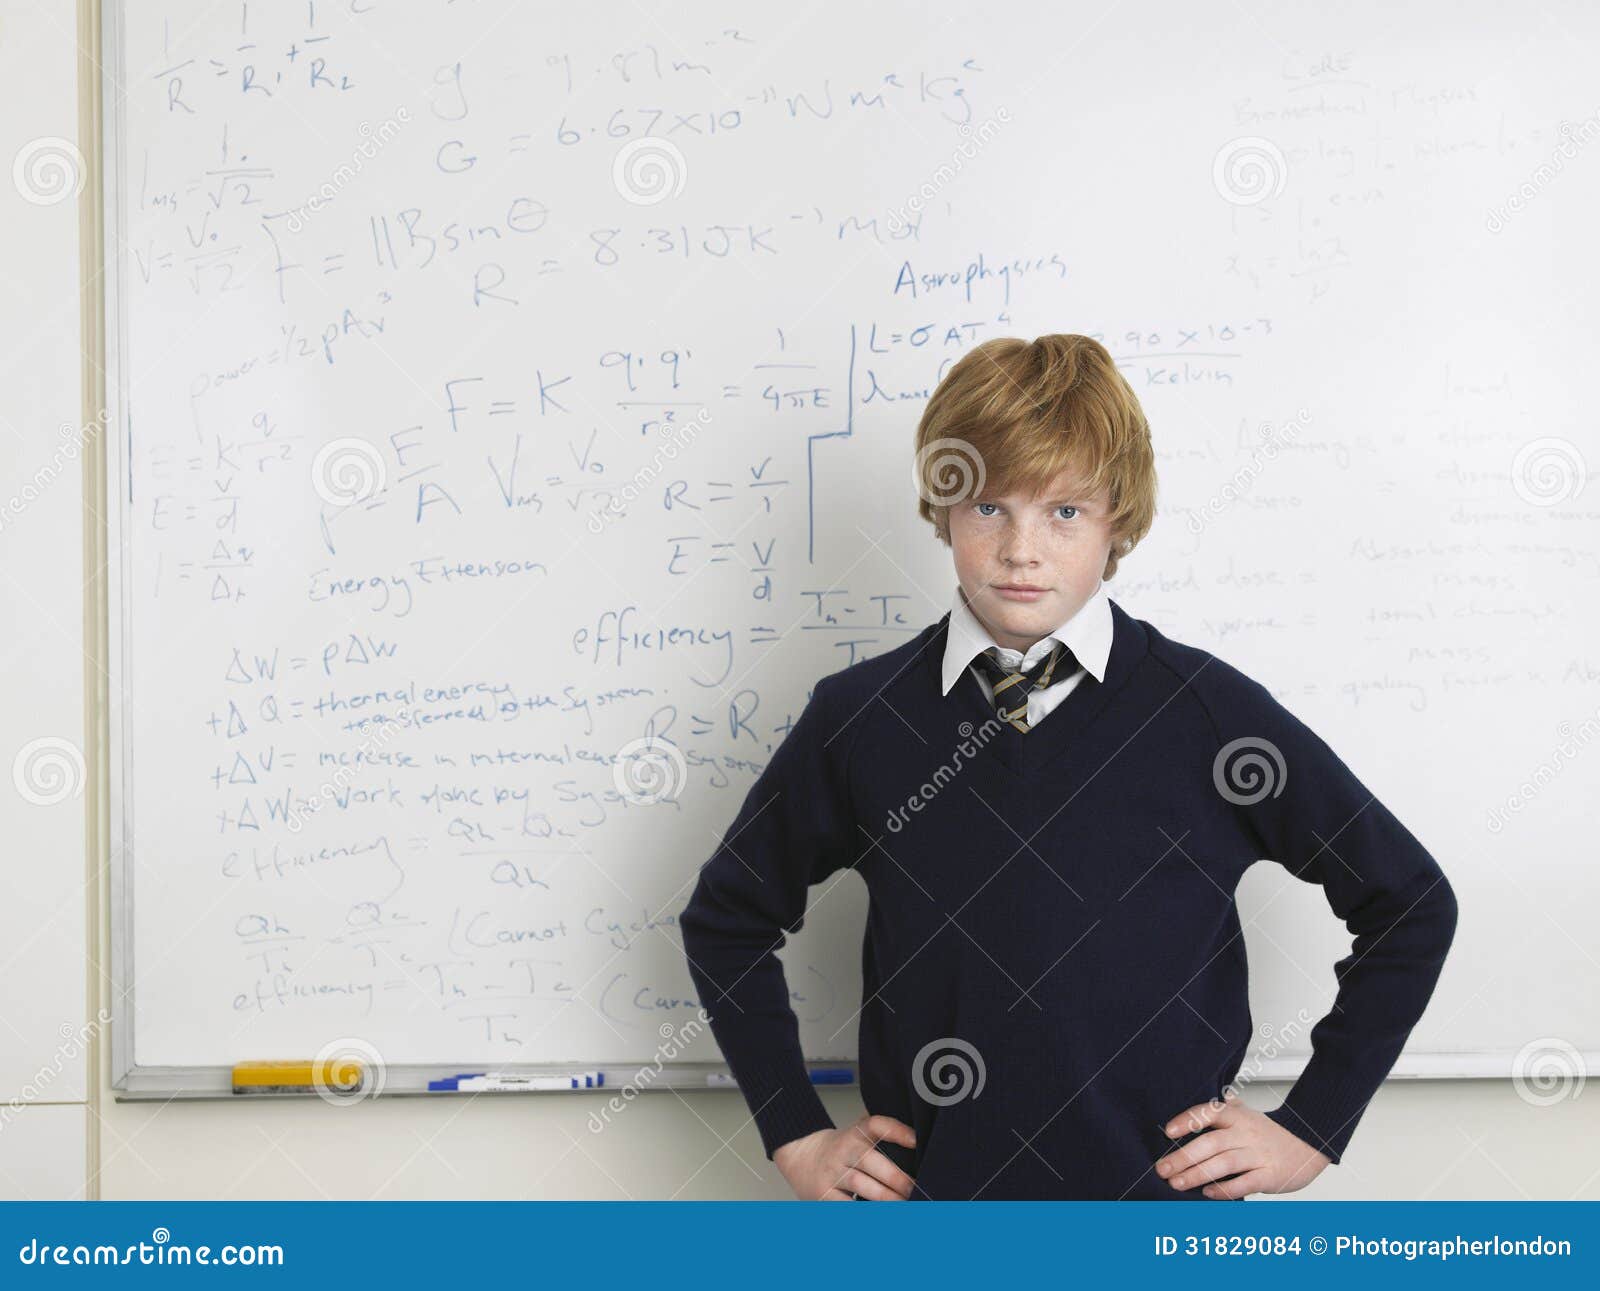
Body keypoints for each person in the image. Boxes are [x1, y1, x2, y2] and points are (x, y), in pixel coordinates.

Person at [679, 334, 1458, 1200]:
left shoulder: (1209, 716)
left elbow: (1410, 903)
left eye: (1064, 512)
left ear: (1118, 518)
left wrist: (1310, 1129)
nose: (1022, 549)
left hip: (1162, 1232)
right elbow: (727, 919)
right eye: (988, 509)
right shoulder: (859, 719)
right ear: (942, 510)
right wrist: (795, 1131)